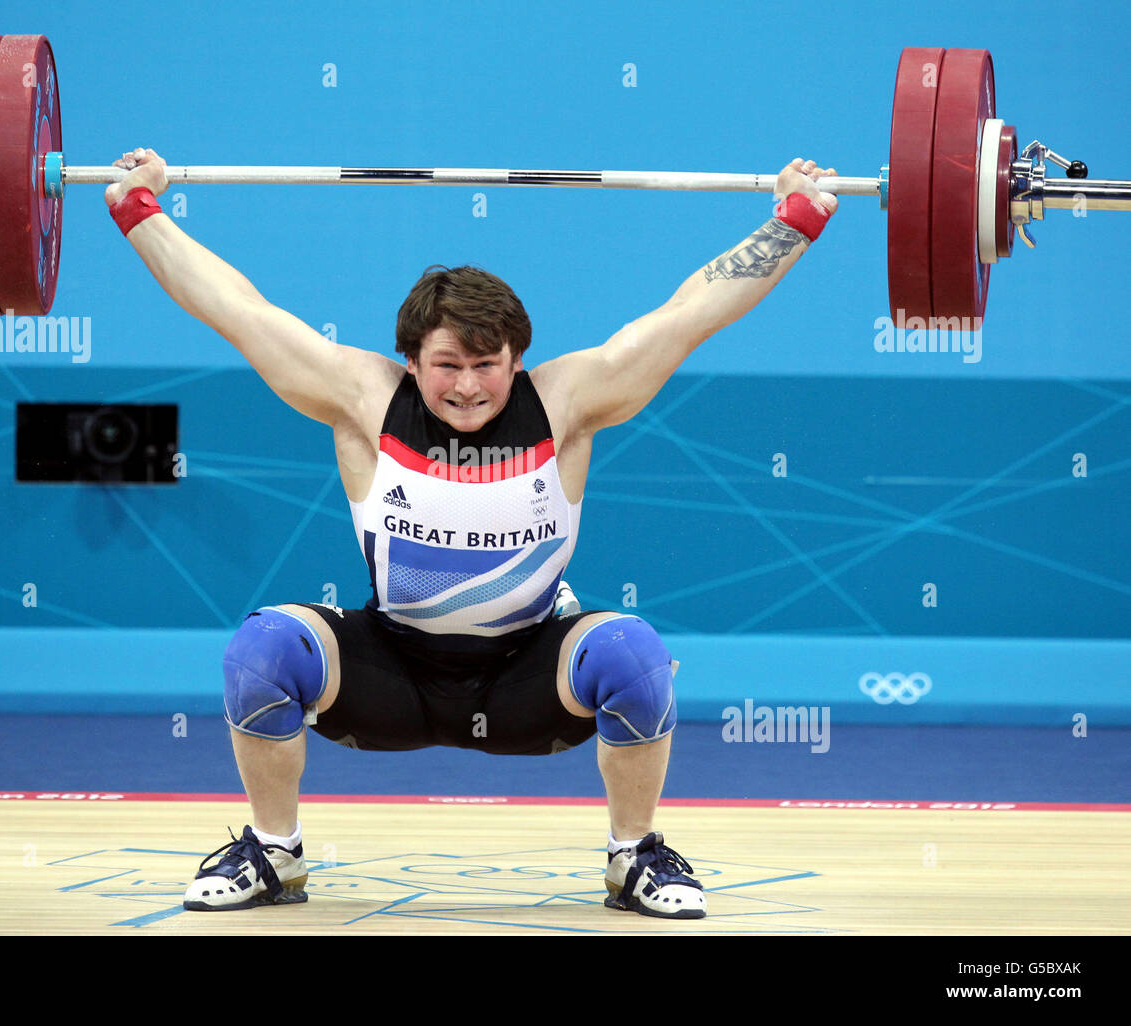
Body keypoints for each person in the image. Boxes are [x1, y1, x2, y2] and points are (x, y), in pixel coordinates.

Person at [104, 149, 837, 920]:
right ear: (410, 361)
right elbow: (237, 310)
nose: (466, 385)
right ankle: (275, 850)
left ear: (517, 360)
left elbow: (690, 314)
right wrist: (138, 210)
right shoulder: (362, 400)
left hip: (529, 679)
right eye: (446, 363)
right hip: (390, 673)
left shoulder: (566, 403)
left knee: (634, 654)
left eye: (487, 364)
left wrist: (794, 218)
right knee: (263, 648)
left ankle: (633, 856)